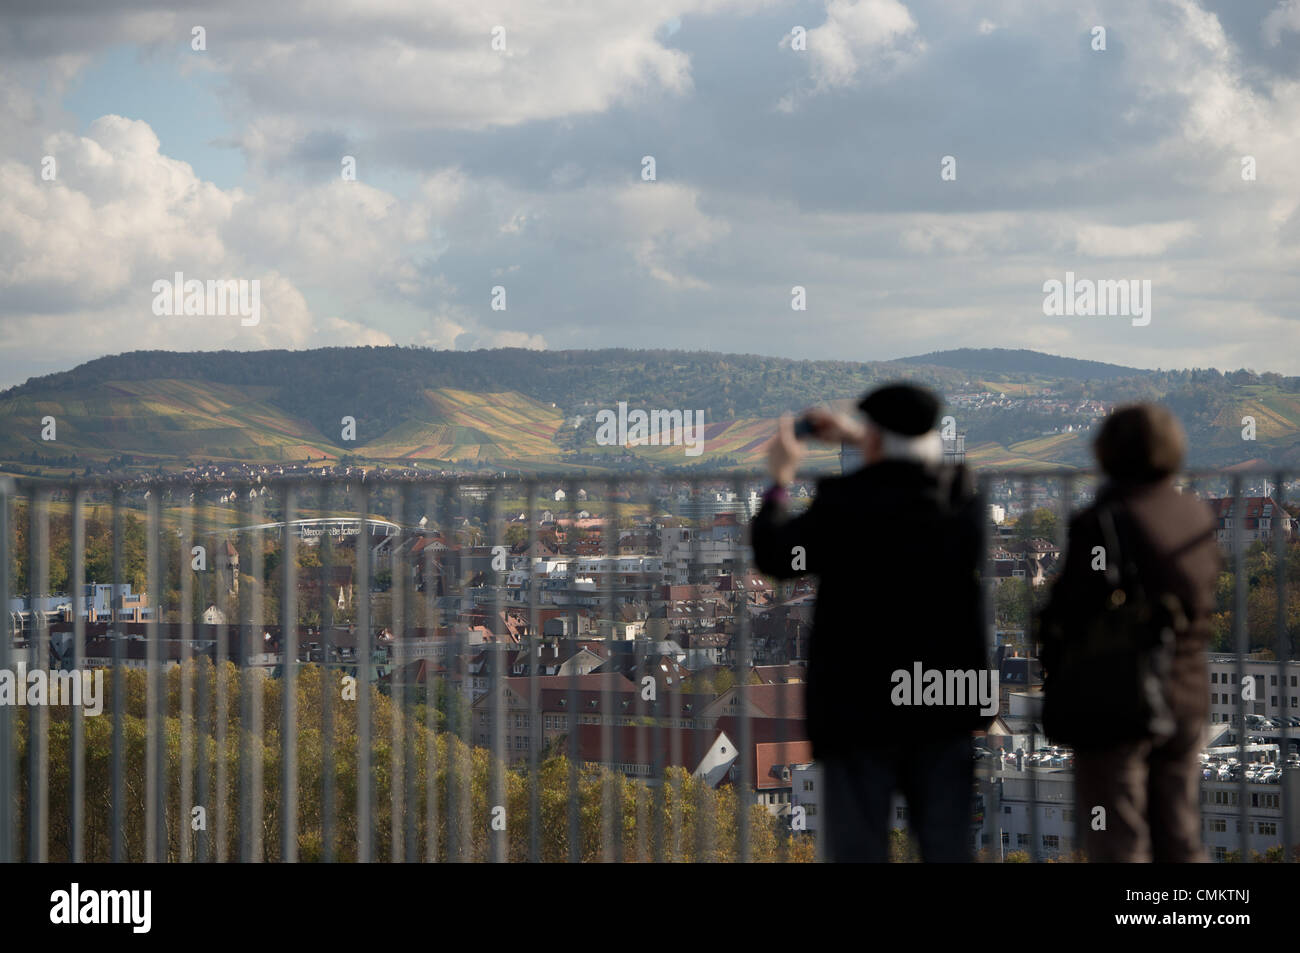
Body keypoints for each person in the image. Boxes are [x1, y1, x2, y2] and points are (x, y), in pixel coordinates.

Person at [750, 383, 990, 862]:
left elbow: (776, 555)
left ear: (876, 441)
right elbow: (934, 474)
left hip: (858, 704)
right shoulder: (962, 503)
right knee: (947, 845)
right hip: (943, 697)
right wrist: (874, 440)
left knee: (857, 846)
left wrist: (779, 480)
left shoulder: (844, 503)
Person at [1040, 404, 1218, 862]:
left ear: (1107, 452)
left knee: (1117, 831)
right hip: (1186, 690)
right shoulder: (1194, 514)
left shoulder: (1105, 520)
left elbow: (1069, 612)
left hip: (1115, 699)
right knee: (1179, 828)